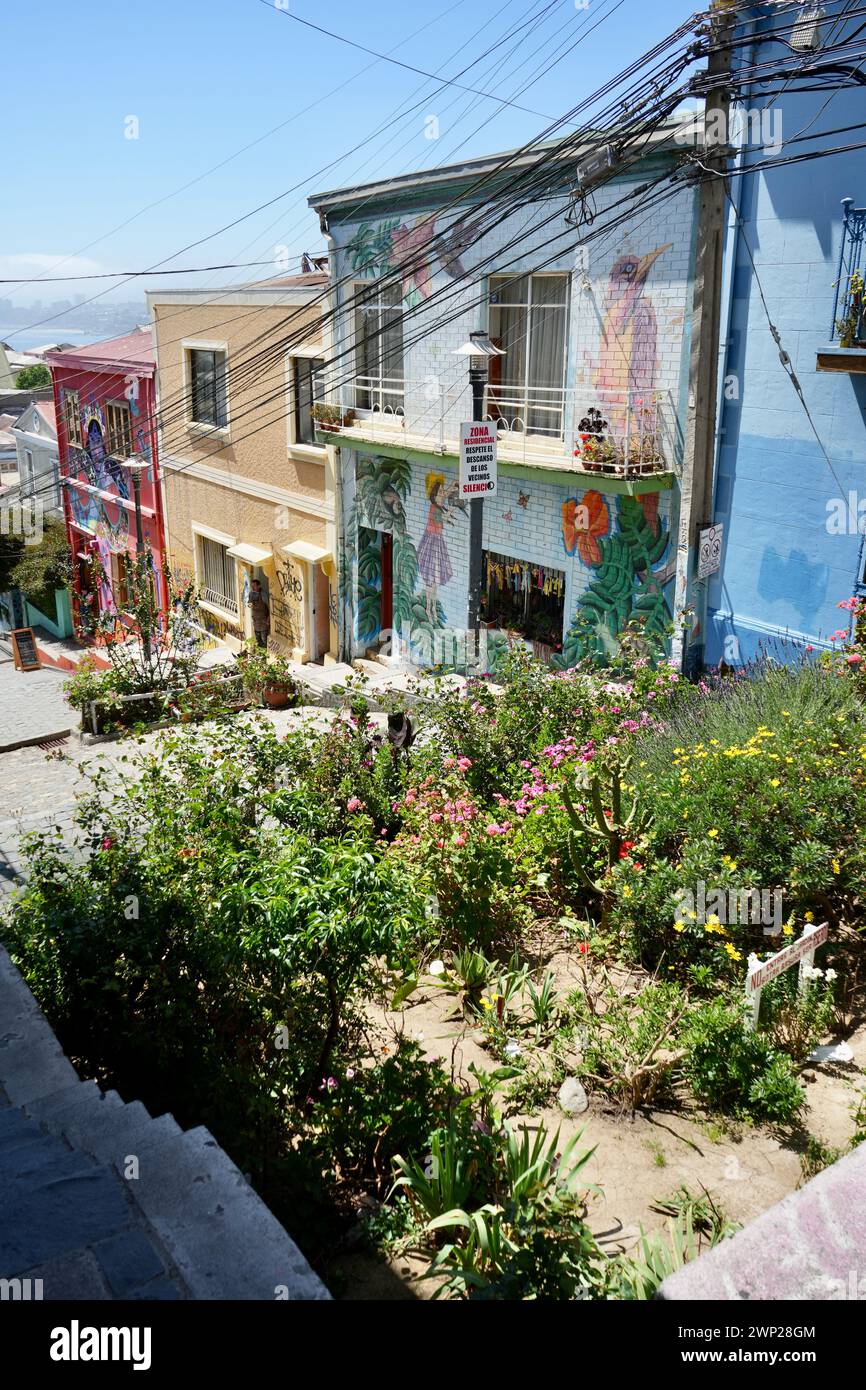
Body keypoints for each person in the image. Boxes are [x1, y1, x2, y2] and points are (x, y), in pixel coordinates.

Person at [248, 578, 270, 648]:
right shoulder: (251, 594)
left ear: (259, 586)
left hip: (263, 621)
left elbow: (269, 607)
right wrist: (250, 604)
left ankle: (265, 656)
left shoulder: (263, 594)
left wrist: (268, 619)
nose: (253, 588)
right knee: (258, 640)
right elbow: (249, 603)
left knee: (264, 640)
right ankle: (260, 656)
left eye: (254, 586)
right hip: (256, 621)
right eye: (252, 586)